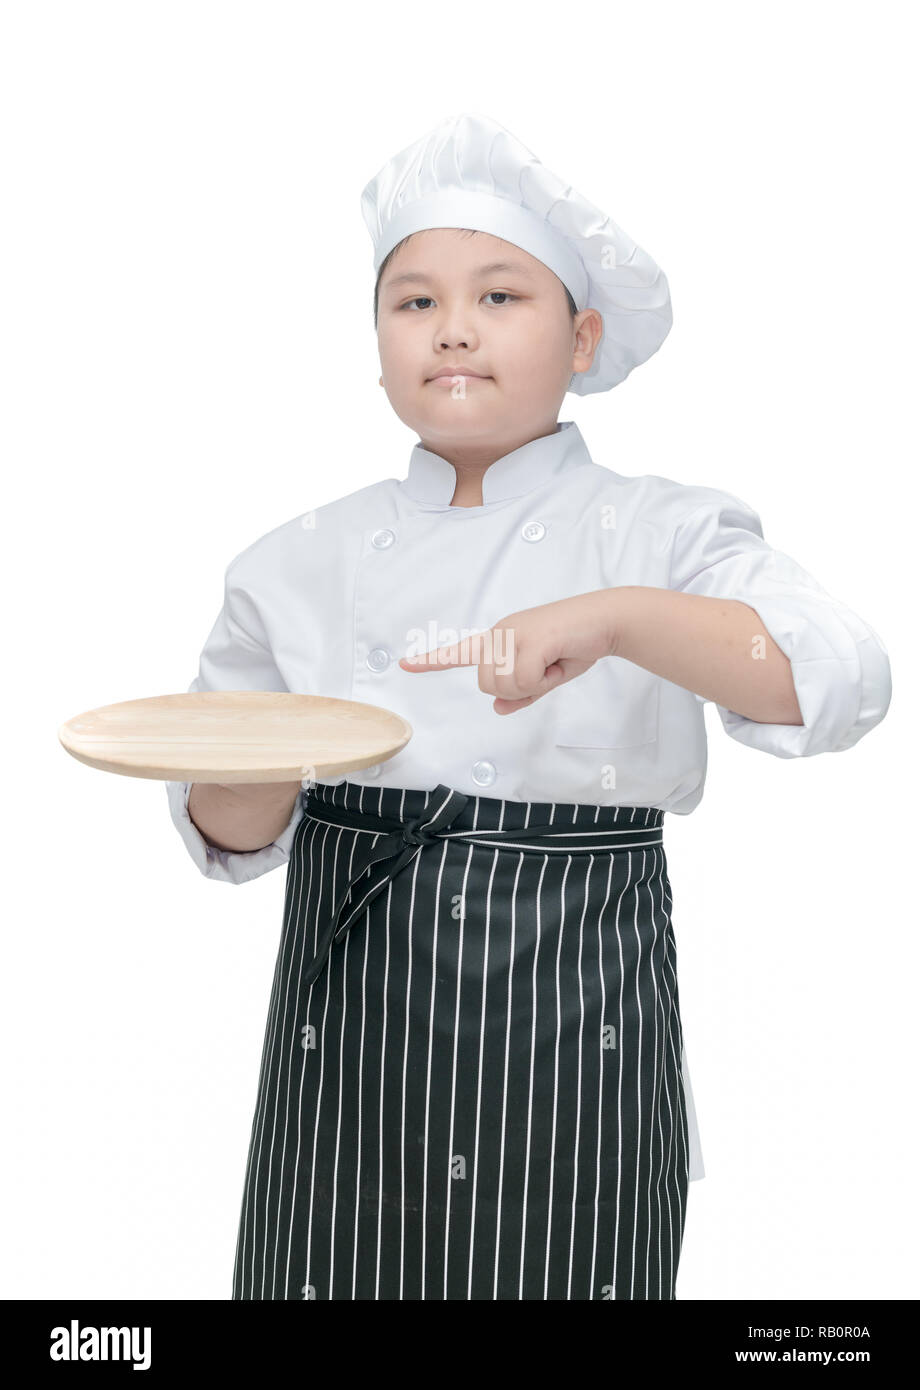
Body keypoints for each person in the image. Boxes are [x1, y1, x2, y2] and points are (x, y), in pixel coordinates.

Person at [165, 112, 892, 1301]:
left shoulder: (658, 529)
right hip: (346, 1039)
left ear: (581, 336)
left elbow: (839, 678)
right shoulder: (290, 561)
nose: (451, 325)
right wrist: (250, 770)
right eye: (413, 302)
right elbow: (230, 835)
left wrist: (620, 616)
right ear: (377, 343)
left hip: (571, 1027)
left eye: (499, 295)